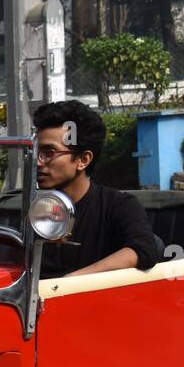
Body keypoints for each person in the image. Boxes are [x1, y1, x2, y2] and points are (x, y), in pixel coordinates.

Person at [31, 99, 162, 278]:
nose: (39, 162)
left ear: (83, 160)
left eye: (49, 153)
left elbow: (144, 249)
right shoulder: (31, 208)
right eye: (37, 152)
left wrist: (72, 281)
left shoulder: (118, 206)